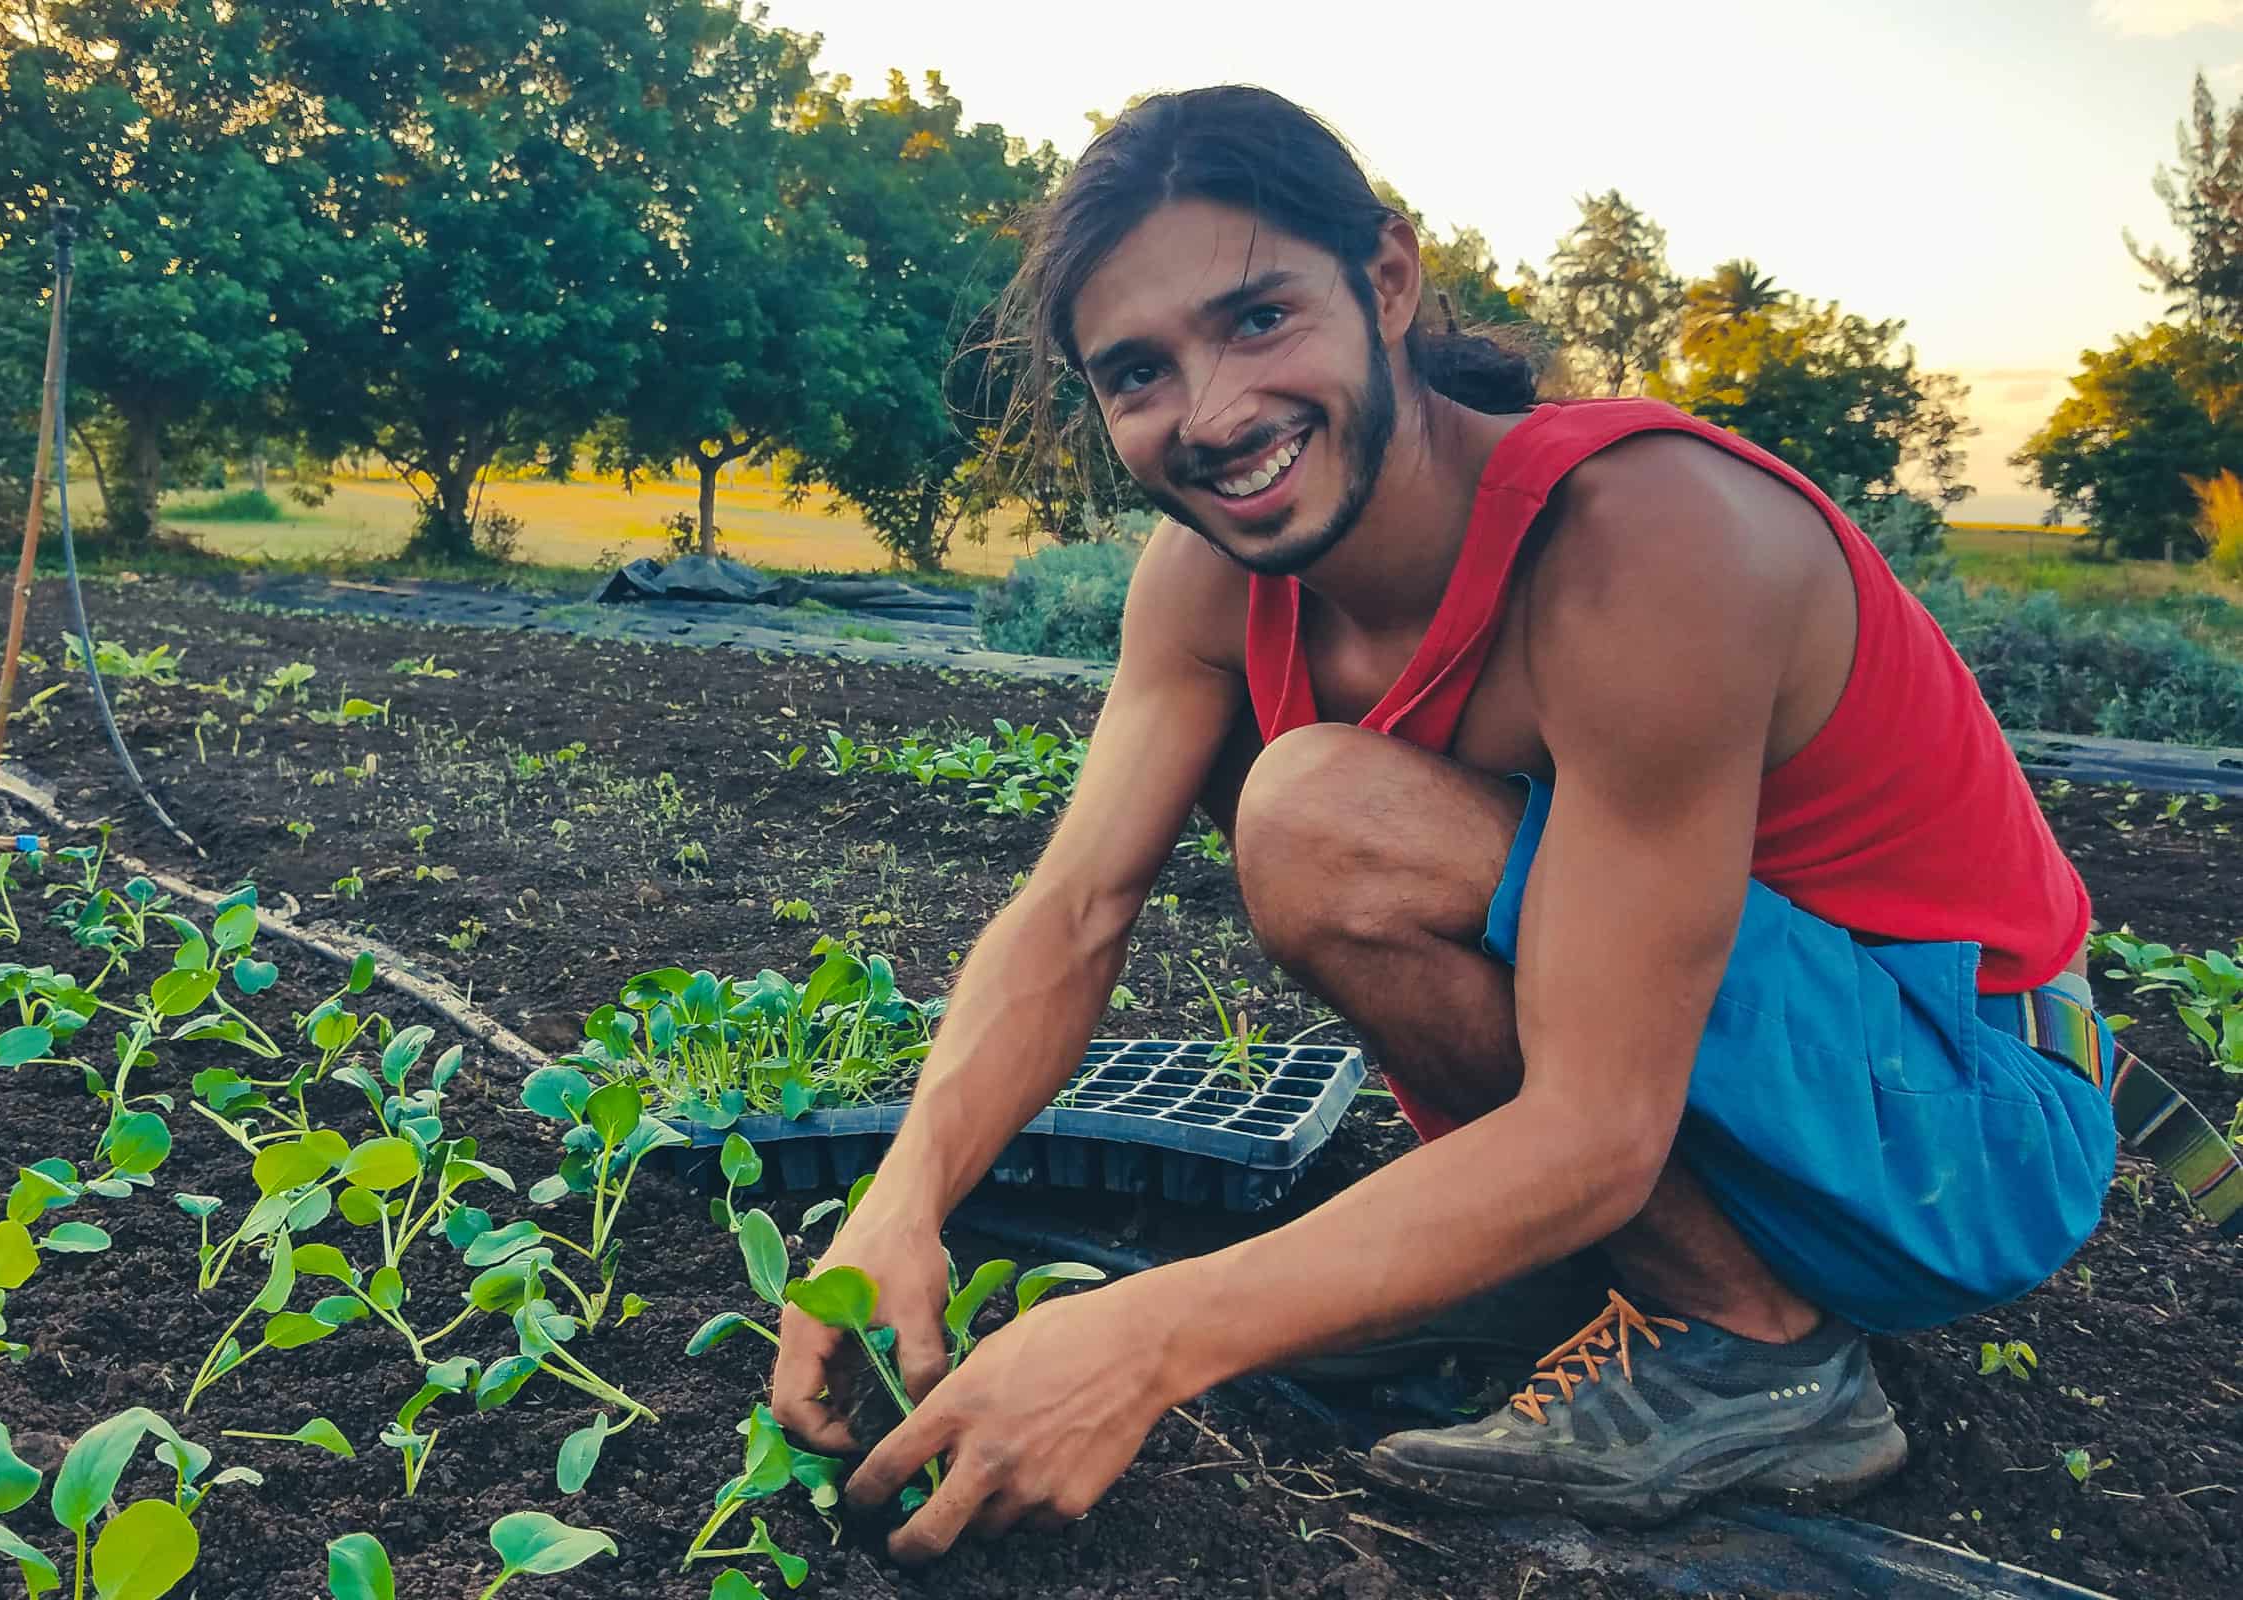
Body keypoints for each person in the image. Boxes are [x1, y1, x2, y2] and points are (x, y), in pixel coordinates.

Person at [767, 84, 2138, 1559]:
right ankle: (1595, 1277)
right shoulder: (1211, 583)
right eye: (1139, 372)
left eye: (1258, 318)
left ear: (1387, 280)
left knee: (1318, 816)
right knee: (1310, 814)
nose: (1213, 415)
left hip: (1964, 1128)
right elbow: (1073, 910)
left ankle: (1751, 1345)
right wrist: (900, 1202)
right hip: (1748, 1110)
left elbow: (1599, 1128)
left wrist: (1145, 1338)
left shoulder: (1646, 541)